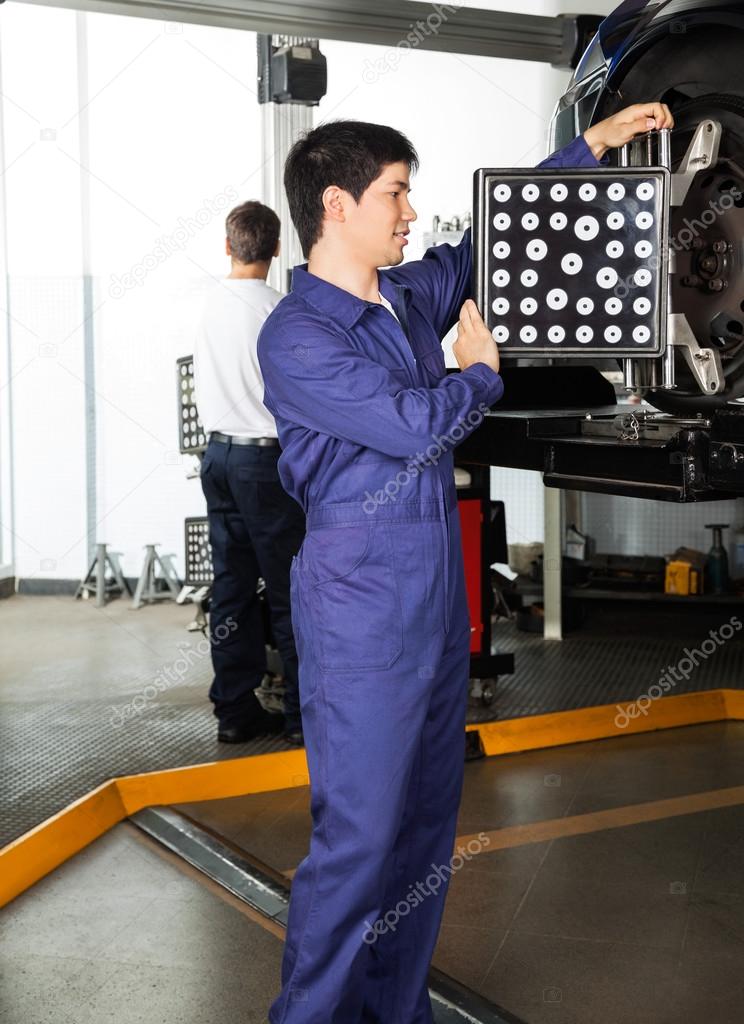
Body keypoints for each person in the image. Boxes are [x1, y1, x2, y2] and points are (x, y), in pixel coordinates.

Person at [257, 103, 674, 1021]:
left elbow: (494, 240)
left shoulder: (406, 295)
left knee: (420, 839)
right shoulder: (297, 335)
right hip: (361, 599)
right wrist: (479, 373)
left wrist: (590, 149)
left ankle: (394, 1011)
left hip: (436, 594)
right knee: (360, 842)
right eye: (396, 194)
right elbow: (415, 424)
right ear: (336, 205)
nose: (411, 212)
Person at [194, 200, 305, 746]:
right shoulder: (279, 310)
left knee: (231, 587)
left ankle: (235, 712)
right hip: (264, 462)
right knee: (290, 589)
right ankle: (302, 717)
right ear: (277, 248)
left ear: (228, 246)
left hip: (217, 458)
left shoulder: (208, 305)